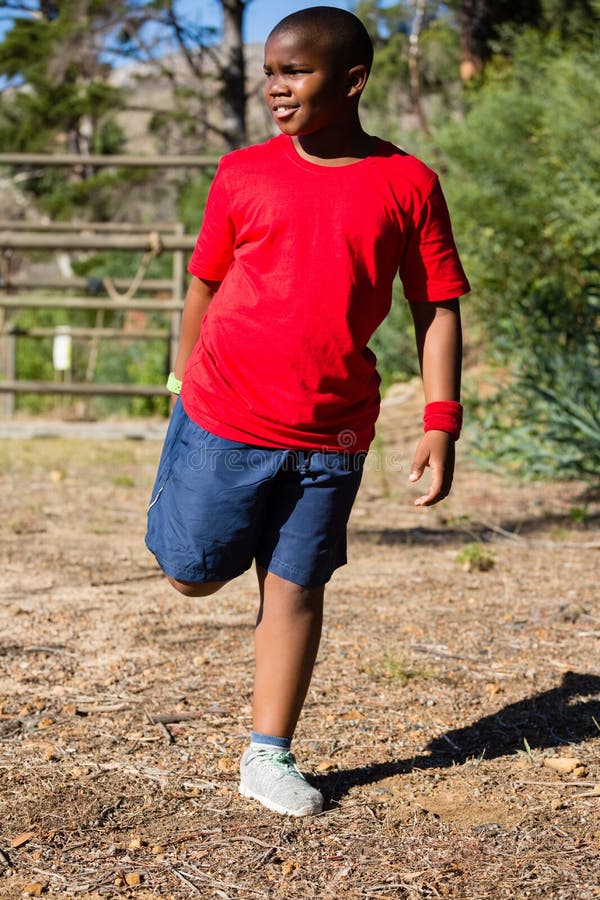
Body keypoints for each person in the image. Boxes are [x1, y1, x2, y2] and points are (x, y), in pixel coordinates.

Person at [146, 5, 470, 817]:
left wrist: (440, 420)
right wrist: (184, 379)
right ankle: (186, 503)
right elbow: (206, 284)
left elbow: (437, 307)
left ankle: (269, 755)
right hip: (224, 418)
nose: (274, 87)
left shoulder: (408, 184)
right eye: (269, 72)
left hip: (335, 432)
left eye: (295, 72)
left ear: (352, 81)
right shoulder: (242, 174)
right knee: (193, 574)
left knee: (294, 587)